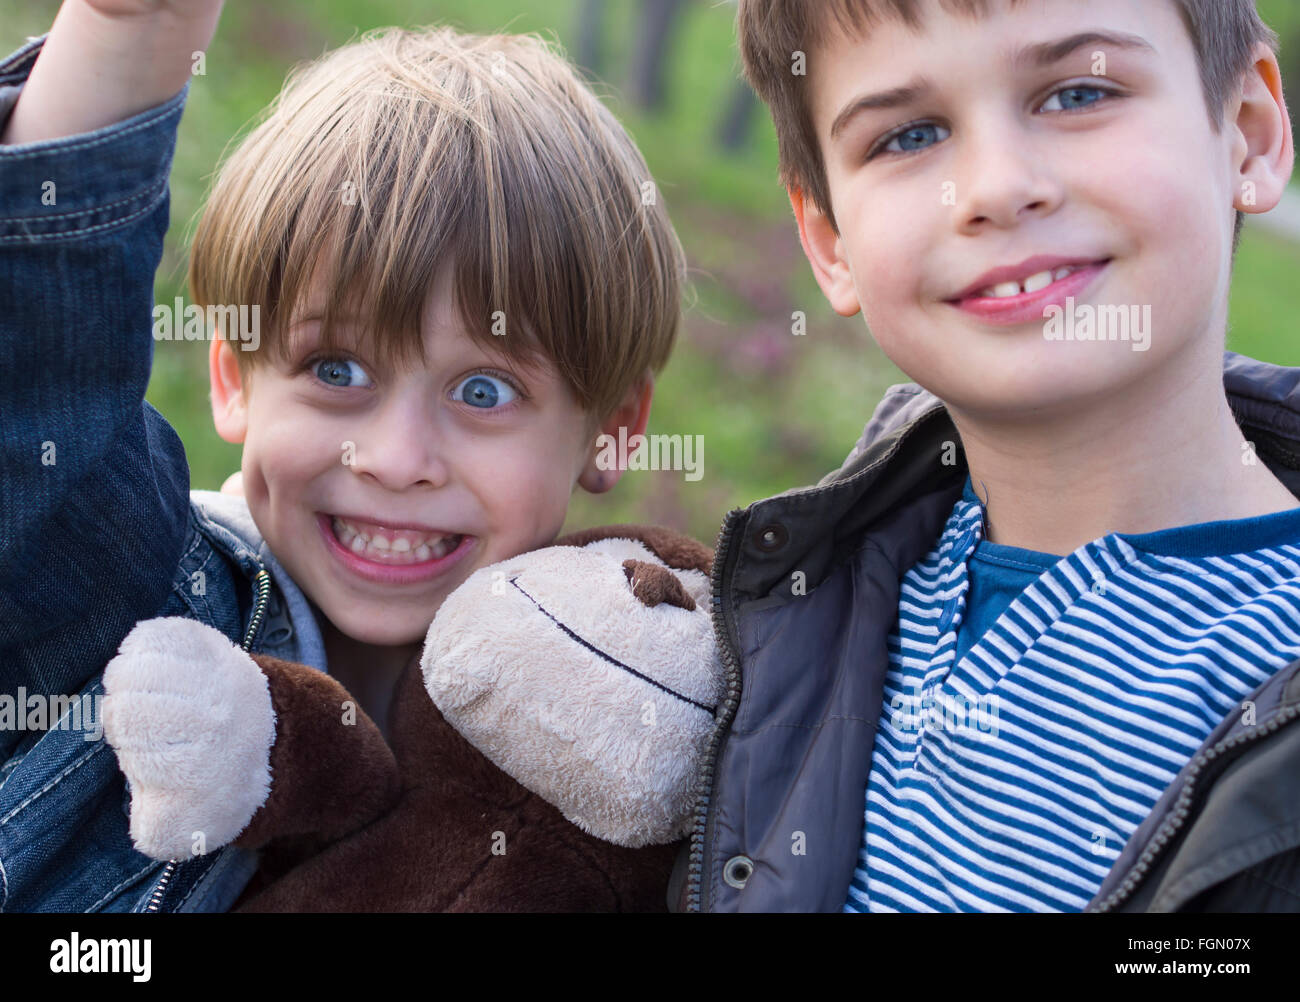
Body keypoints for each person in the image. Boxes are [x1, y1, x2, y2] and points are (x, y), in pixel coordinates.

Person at [0, 0, 685, 912]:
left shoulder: (649, 729)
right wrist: (127, 32)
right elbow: (41, 400)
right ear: (234, 378)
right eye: (337, 368)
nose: (396, 460)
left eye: (484, 390)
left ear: (614, 426)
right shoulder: (144, 599)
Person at [670, 0, 1300, 911]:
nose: (997, 187)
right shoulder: (818, 597)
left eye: (1079, 93)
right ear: (829, 243)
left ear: (1247, 135)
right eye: (908, 135)